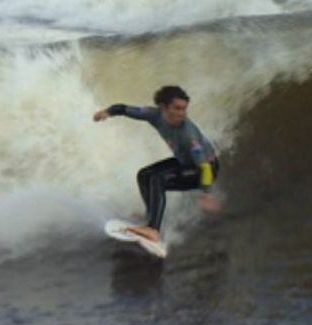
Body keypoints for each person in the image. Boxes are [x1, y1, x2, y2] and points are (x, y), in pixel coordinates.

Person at [93, 85, 221, 242]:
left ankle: (153, 229)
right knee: (144, 175)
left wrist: (207, 193)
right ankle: (150, 216)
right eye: (177, 108)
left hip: (204, 169)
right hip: (185, 163)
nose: (182, 114)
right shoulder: (153, 115)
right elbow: (125, 109)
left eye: (184, 109)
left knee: (157, 179)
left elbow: (205, 166)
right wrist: (107, 112)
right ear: (163, 108)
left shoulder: (188, 134)